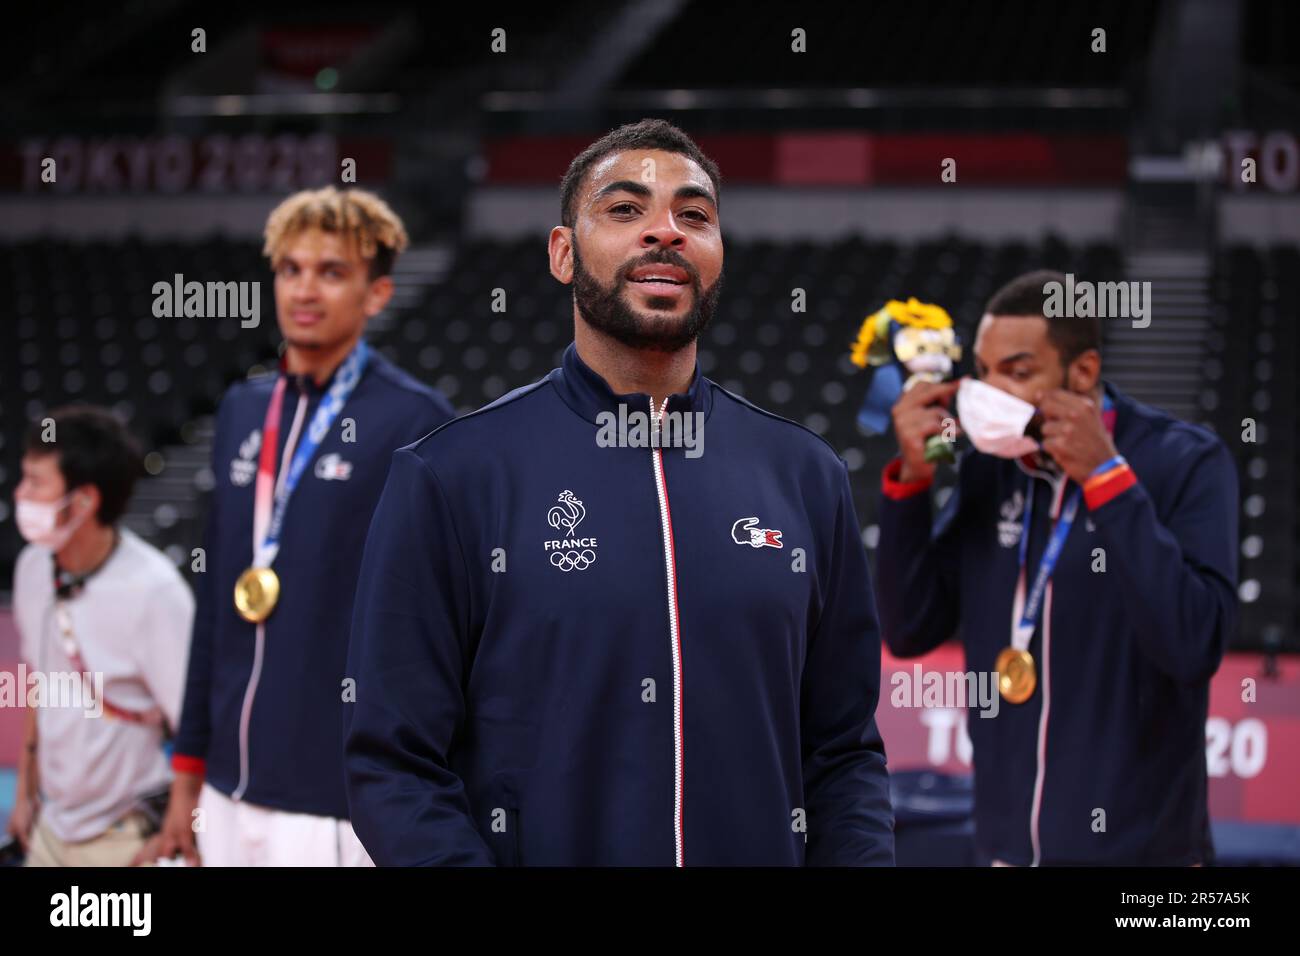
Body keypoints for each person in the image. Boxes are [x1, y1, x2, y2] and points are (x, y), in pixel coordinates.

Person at [344, 119, 894, 866]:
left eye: (693, 215)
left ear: (717, 256)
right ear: (563, 254)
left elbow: (845, 751)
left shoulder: (804, 475)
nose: (665, 232)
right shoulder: (451, 476)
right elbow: (394, 763)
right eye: (626, 209)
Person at [876, 269, 1238, 865]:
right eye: (985, 371)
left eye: (1017, 373)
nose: (990, 392)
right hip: (1002, 853)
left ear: (1084, 373)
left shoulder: (1187, 462)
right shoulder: (990, 471)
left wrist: (1107, 480)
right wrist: (913, 482)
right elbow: (910, 627)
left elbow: (1194, 644)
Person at [156, 187, 456, 866]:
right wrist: (187, 775)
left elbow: (429, 625)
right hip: (226, 792)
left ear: (377, 293)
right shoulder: (241, 407)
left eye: (331, 271)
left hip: (335, 802)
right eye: (290, 269)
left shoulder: (415, 419)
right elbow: (214, 612)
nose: (304, 289)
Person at [8, 405, 193, 866]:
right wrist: (26, 792)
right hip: (49, 828)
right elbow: (39, 682)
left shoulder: (155, 592)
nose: (19, 494)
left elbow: (196, 728)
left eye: (35, 482)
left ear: (84, 500)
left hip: (126, 836)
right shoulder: (32, 567)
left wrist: (177, 827)